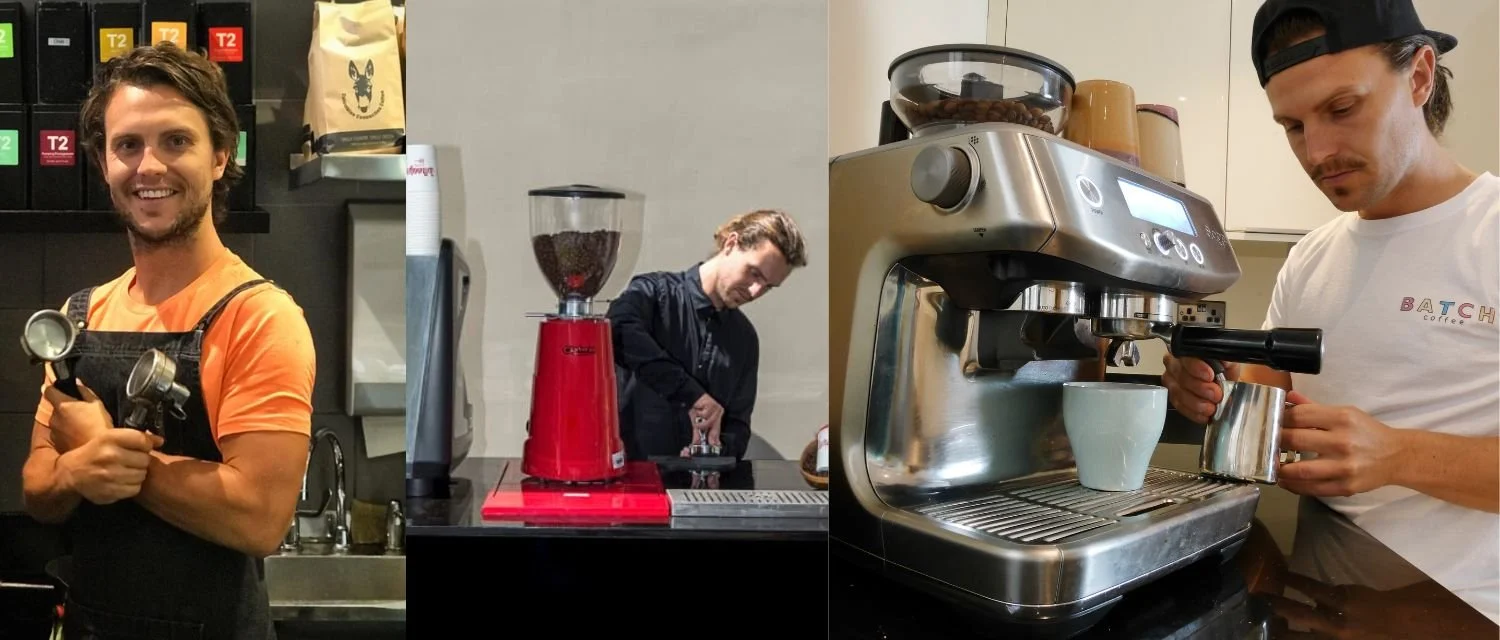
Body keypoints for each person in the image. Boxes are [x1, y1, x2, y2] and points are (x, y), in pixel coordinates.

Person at [1161, 0, 1498, 621]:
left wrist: (1399, 455)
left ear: (1420, 76)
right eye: (1292, 126)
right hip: (1322, 601)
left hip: (1460, 614)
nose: (1317, 152)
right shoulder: (1311, 257)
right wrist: (1209, 388)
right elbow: (1262, 399)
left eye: (1341, 109)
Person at [18, 42, 316, 638]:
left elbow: (260, 519)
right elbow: (37, 489)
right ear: (103, 164)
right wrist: (75, 473)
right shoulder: (82, 314)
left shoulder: (259, 317)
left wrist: (116, 457)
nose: (149, 166)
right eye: (127, 145)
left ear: (220, 156)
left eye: (176, 141)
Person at [607, 209, 807, 462]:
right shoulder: (653, 294)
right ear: (731, 244)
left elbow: (737, 426)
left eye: (768, 287)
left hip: (698, 493)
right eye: (754, 273)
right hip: (630, 484)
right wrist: (691, 394)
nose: (755, 292)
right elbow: (616, 328)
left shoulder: (744, 339)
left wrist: (714, 453)